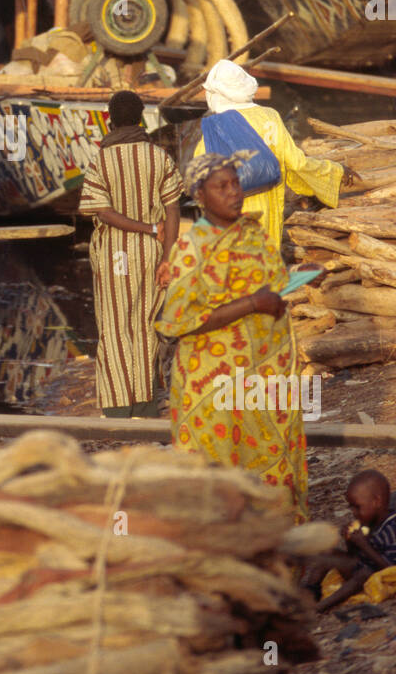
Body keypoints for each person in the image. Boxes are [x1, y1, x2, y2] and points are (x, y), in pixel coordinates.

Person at [157, 151, 308, 521]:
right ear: (200, 196)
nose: (233, 192)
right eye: (220, 186)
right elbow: (180, 320)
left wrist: (299, 278)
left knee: (272, 471)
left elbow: (273, 284)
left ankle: (277, 562)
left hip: (265, 377)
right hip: (215, 384)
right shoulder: (191, 250)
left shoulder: (253, 234)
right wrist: (253, 303)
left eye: (236, 182)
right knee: (219, 480)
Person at [78, 90, 182, 418]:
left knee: (115, 325)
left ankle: (120, 407)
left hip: (116, 254)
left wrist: (145, 228)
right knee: (145, 324)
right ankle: (146, 403)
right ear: (140, 119)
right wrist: (167, 258)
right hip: (152, 252)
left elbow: (101, 211)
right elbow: (173, 212)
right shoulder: (159, 157)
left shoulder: (102, 159)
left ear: (110, 118)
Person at [193, 58, 345, 249]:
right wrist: (335, 172)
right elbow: (297, 163)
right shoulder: (269, 117)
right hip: (266, 207)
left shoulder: (214, 127)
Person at [309, 469, 396, 613]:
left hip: (378, 577)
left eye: (357, 506)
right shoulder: (367, 522)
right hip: (360, 569)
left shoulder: (392, 527)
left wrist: (364, 545)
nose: (353, 512)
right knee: (328, 553)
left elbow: (389, 568)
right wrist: (351, 542)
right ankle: (310, 591)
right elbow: (356, 555)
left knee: (365, 573)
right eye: (351, 506)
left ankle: (320, 607)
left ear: (377, 501)